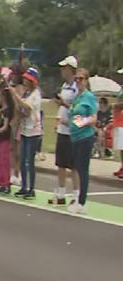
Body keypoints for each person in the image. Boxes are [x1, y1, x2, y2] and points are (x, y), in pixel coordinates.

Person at [49, 56, 80, 206]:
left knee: (74, 165)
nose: (62, 71)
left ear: (70, 69)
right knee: (61, 163)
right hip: (62, 128)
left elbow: (76, 108)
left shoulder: (76, 87)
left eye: (64, 68)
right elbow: (62, 107)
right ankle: (61, 193)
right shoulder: (64, 86)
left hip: (73, 130)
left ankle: (76, 194)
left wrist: (64, 103)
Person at [67, 68, 98, 214]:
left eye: (81, 79)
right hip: (75, 137)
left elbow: (93, 118)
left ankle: (82, 202)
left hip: (85, 136)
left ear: (86, 80)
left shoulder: (89, 97)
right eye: (76, 79)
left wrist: (82, 122)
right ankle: (79, 198)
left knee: (83, 169)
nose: (78, 81)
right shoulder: (77, 97)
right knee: (78, 167)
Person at [10, 67, 42, 200]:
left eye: (27, 79)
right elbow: (21, 107)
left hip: (33, 130)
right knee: (22, 159)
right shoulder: (26, 93)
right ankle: (24, 186)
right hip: (24, 129)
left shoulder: (36, 94)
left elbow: (28, 107)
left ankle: (32, 188)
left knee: (30, 160)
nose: (24, 80)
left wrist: (15, 95)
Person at [0, 87, 14, 193]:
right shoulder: (3, 111)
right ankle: (0, 182)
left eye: (0, 96)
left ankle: (6, 183)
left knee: (5, 161)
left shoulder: (7, 111)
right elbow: (1, 123)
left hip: (5, 137)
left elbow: (5, 126)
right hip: (1, 138)